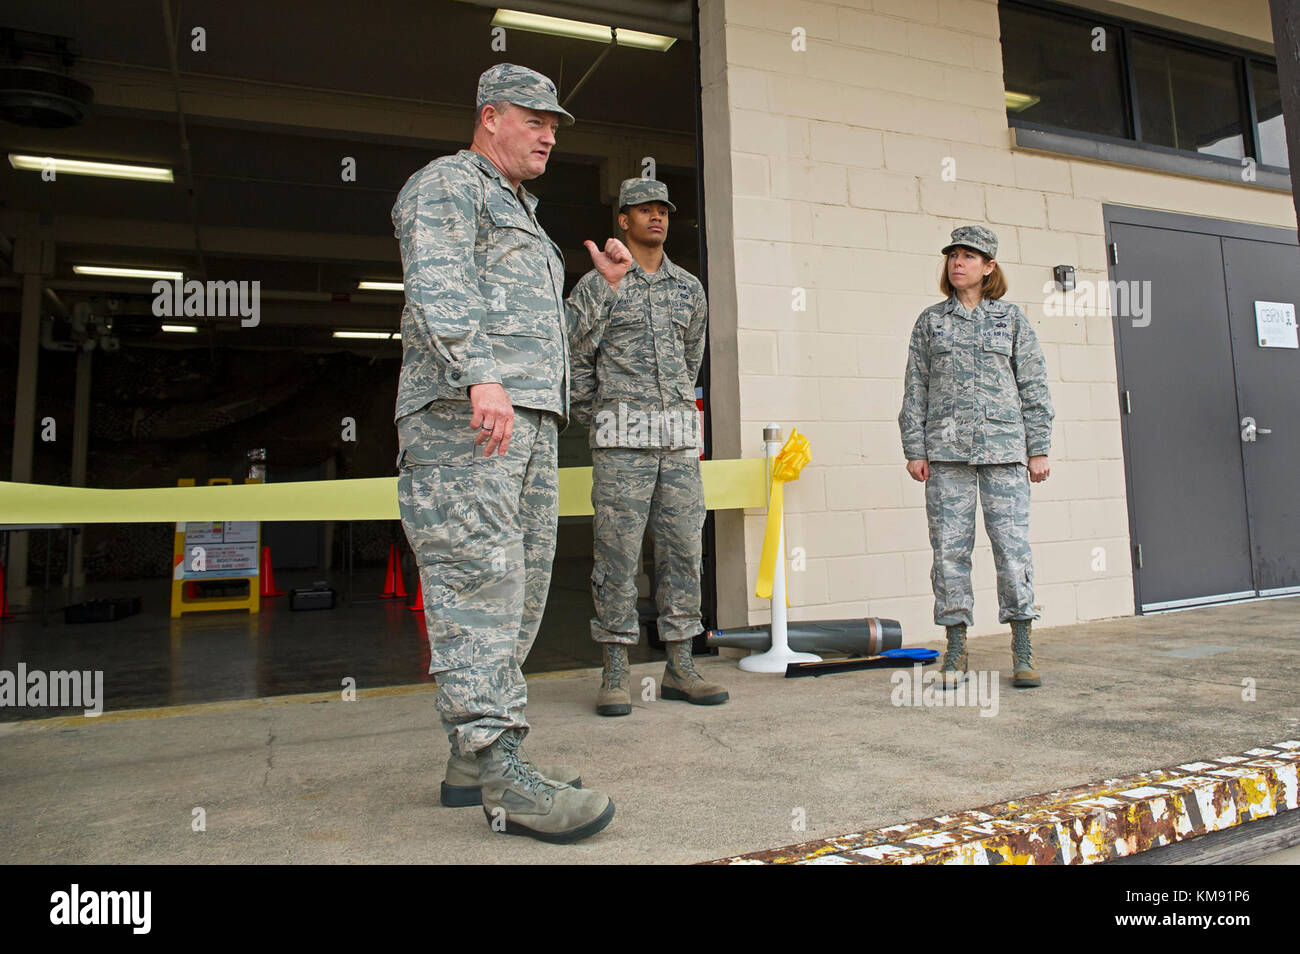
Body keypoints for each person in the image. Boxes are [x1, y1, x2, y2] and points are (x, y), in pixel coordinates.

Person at [393, 63, 632, 843]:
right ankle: (501, 772)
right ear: (490, 116)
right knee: (476, 592)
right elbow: (438, 286)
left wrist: (598, 291)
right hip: (465, 420)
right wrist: (480, 374)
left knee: (516, 599)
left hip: (524, 423)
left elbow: (548, 340)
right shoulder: (447, 185)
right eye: (535, 120)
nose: (548, 135)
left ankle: (475, 762)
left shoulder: (524, 215)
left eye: (555, 126)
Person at [567, 177, 727, 716]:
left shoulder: (689, 288)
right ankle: (614, 670)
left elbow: (691, 357)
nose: (655, 217)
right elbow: (575, 357)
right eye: (644, 210)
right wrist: (602, 417)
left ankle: (680, 664)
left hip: (678, 443)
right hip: (621, 443)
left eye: (662, 210)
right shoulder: (599, 284)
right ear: (623, 220)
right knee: (617, 552)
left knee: (684, 550)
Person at [898, 225, 1054, 690]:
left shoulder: (1012, 320)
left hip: (1005, 454)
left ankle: (1022, 647)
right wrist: (914, 449)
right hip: (946, 457)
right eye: (952, 256)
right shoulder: (931, 322)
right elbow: (915, 388)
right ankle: (956, 648)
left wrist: (1039, 448)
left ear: (989, 267)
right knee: (949, 552)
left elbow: (1034, 385)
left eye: (968, 256)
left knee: (1012, 551)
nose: (957, 263)